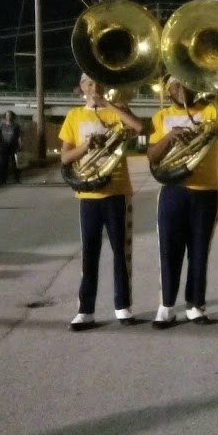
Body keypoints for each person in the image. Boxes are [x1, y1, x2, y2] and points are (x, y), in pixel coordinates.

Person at [59, 74, 145, 331]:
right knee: (89, 254)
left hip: (117, 191)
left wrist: (109, 106)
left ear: (104, 87)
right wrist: (86, 146)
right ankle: (86, 310)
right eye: (89, 84)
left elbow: (140, 128)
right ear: (82, 87)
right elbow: (65, 157)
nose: (94, 88)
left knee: (121, 252)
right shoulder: (74, 116)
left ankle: (123, 307)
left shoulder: (115, 112)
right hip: (89, 195)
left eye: (99, 84)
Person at [147, 76, 218, 328]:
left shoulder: (210, 109)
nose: (182, 89)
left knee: (200, 251)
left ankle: (196, 305)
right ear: (168, 92)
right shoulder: (161, 117)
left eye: (187, 83)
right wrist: (170, 137)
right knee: (169, 249)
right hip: (172, 189)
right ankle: (166, 306)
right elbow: (152, 155)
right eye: (176, 86)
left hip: (206, 190)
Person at [0, 111, 22, 184]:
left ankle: (16, 179)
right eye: (7, 115)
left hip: (13, 146)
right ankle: (3, 179)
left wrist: (20, 144)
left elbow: (19, 135)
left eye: (10, 115)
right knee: (4, 163)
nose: (8, 117)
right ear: (5, 116)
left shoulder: (16, 126)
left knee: (15, 163)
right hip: (3, 146)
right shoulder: (1, 126)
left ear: (13, 116)